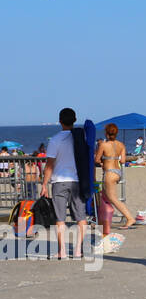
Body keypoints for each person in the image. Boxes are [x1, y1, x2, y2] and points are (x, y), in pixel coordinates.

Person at [39, 108, 87, 259]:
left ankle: (63, 251)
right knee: (81, 217)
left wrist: (44, 184)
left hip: (59, 181)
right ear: (74, 119)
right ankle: (79, 250)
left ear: (60, 121)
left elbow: (49, 165)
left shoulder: (55, 140)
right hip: (77, 181)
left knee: (60, 218)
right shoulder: (80, 138)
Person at [94, 122, 135, 233]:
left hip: (109, 173)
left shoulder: (103, 145)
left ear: (107, 134)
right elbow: (122, 160)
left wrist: (103, 162)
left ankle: (130, 218)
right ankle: (101, 220)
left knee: (112, 198)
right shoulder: (121, 145)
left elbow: (96, 160)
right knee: (104, 197)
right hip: (117, 171)